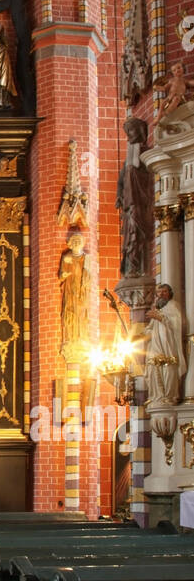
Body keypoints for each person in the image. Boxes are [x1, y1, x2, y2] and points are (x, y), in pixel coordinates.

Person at [115, 115, 154, 277]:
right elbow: (121, 179)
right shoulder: (129, 159)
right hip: (129, 203)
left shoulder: (143, 153)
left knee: (136, 234)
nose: (129, 135)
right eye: (127, 131)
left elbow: (145, 175)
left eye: (131, 130)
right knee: (130, 236)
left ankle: (136, 267)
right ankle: (132, 267)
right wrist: (119, 195)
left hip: (139, 200)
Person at [144, 283, 187, 405]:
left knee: (169, 366)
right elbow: (150, 328)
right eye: (159, 292)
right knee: (153, 367)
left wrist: (160, 318)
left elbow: (178, 325)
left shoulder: (173, 306)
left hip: (168, 344)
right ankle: (157, 396)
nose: (161, 294)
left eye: (164, 292)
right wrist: (144, 333)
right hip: (156, 344)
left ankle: (169, 396)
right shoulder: (158, 309)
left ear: (170, 293)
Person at [57, 230, 89, 350]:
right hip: (70, 290)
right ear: (70, 243)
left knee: (81, 313)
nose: (76, 243)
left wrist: (84, 283)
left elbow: (89, 276)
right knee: (70, 312)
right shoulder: (66, 257)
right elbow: (61, 275)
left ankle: (82, 336)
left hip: (82, 291)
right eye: (74, 241)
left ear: (82, 243)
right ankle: (70, 337)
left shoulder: (87, 258)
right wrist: (64, 274)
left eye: (78, 241)